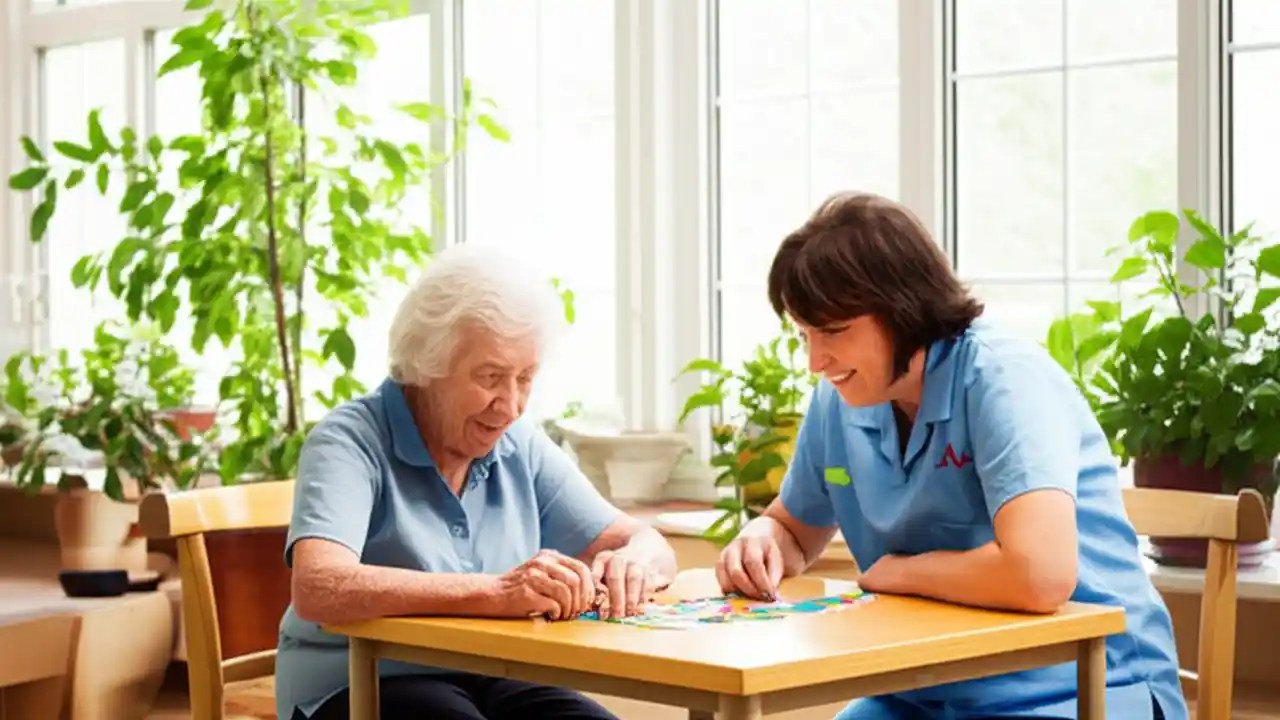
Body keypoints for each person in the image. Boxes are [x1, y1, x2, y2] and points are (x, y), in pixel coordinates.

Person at [715, 192, 1188, 720]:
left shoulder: (1004, 378)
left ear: (901, 307)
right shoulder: (842, 397)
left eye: (832, 332)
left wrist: (899, 572)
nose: (814, 361)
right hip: (923, 691)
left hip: (1081, 687)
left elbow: (1040, 575)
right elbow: (796, 527)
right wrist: (763, 539)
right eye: (804, 334)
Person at [275, 245, 679, 720]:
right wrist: (496, 593)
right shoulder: (349, 441)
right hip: (361, 682)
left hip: (494, 674)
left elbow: (645, 541)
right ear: (428, 364)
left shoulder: (518, 446)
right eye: (490, 377)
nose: (510, 406)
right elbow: (319, 586)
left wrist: (636, 561)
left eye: (525, 378)